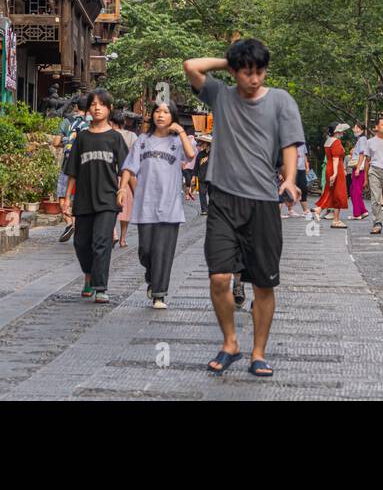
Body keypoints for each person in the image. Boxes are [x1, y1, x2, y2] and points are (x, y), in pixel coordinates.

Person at [185, 39, 304, 379]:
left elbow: (289, 144)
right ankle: (230, 343)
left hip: (263, 202)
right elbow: (190, 65)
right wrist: (230, 61)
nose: (254, 79)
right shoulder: (221, 96)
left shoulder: (281, 100)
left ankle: (259, 352)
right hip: (223, 199)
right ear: (236, 72)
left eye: (260, 72)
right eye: (247, 72)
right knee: (219, 277)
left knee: (263, 285)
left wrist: (290, 179)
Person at [120, 101, 197, 308]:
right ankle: (151, 275)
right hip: (146, 205)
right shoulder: (142, 141)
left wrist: (181, 131)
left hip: (170, 206)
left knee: (163, 251)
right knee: (145, 250)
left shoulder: (178, 141)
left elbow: (190, 155)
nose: (160, 115)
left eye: (165, 112)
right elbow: (129, 167)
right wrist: (121, 188)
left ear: (172, 116)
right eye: (157, 111)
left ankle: (159, 294)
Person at [63, 90, 129, 304]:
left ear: (109, 109)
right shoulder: (82, 138)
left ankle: (100, 287)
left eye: (102, 104)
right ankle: (89, 276)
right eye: (94, 104)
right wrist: (66, 198)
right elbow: (72, 170)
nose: (97, 107)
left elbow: (126, 167)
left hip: (108, 199)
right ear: (88, 109)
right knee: (81, 243)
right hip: (83, 199)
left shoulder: (115, 138)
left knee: (101, 242)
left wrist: (122, 189)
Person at [55, 97, 83, 243]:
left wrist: (66, 141)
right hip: (85, 164)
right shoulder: (93, 122)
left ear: (75, 106)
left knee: (62, 194)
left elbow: (55, 142)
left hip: (67, 163)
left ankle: (69, 222)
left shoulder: (67, 121)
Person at [315, 122, 349, 228]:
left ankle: (319, 208)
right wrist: (335, 173)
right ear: (336, 131)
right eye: (340, 130)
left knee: (330, 191)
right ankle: (336, 220)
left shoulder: (328, 141)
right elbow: (335, 159)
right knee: (338, 193)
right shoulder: (336, 142)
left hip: (329, 168)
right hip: (335, 168)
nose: (342, 132)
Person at [113, 110, 138, 248]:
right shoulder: (132, 135)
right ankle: (122, 238)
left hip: (112, 174)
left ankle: (113, 233)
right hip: (128, 177)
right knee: (126, 208)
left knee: (111, 207)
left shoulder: (110, 135)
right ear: (123, 123)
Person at [348, 122, 370, 220]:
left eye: (355, 127)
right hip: (358, 167)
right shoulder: (361, 139)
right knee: (353, 190)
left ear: (360, 129)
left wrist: (357, 168)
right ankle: (363, 211)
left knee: (355, 191)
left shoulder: (362, 139)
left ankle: (357, 214)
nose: (354, 129)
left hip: (359, 168)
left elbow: (362, 154)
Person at [284, 141, 311, 219]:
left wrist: (307, 166)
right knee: (291, 189)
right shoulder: (289, 142)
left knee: (303, 188)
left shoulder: (303, 143)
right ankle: (290, 210)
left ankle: (305, 210)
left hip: (301, 168)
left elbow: (304, 155)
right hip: (292, 168)